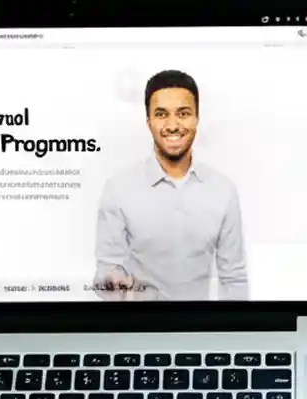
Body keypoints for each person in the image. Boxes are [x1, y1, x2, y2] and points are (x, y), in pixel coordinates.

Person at [93, 69, 249, 300]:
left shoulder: (223, 190)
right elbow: (105, 274)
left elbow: (234, 279)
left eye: (183, 113)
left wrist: (232, 332)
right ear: (149, 122)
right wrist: (113, 283)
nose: (173, 125)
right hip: (139, 330)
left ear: (197, 118)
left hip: (200, 330)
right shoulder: (118, 189)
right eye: (161, 114)